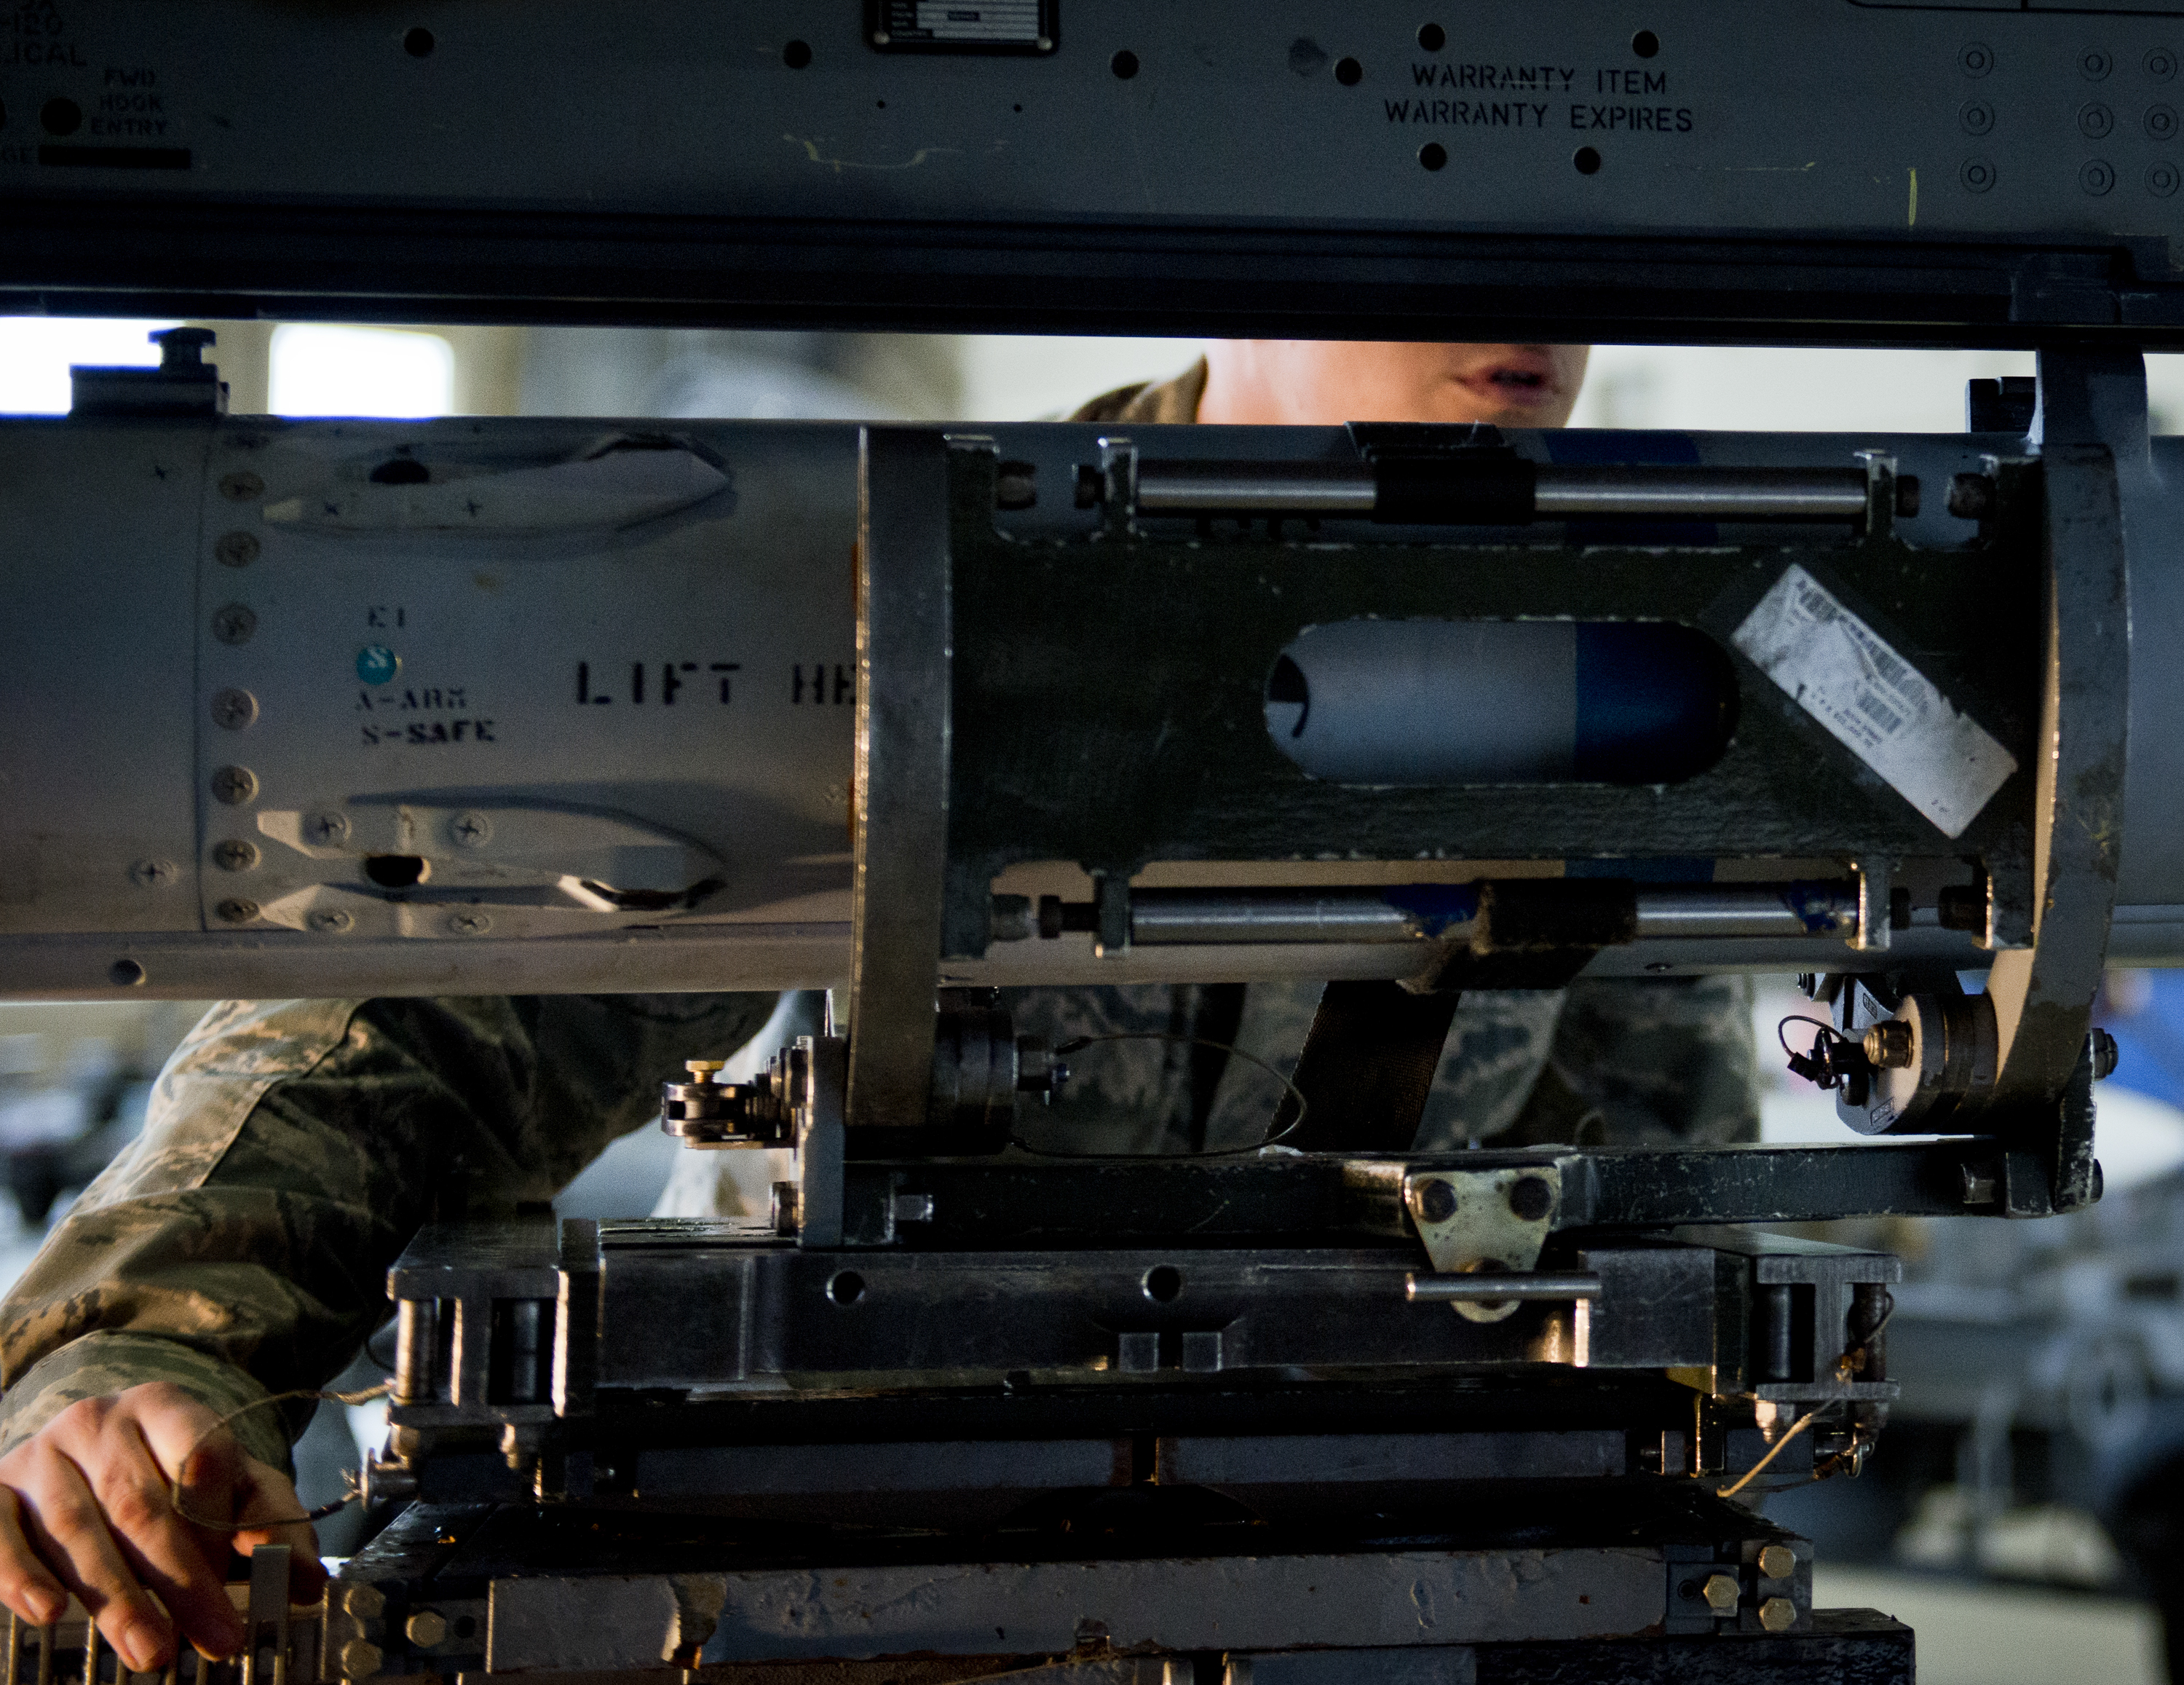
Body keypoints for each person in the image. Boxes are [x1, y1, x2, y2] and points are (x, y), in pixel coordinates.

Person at [0, 341, 1755, 1670]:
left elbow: (1669, 1218)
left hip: (1351, 1603)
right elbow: (427, 1028)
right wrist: (141, 1342)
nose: (1534, 306)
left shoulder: (1619, 676)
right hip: (785, 1596)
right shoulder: (922, 586)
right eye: (1431, 191)